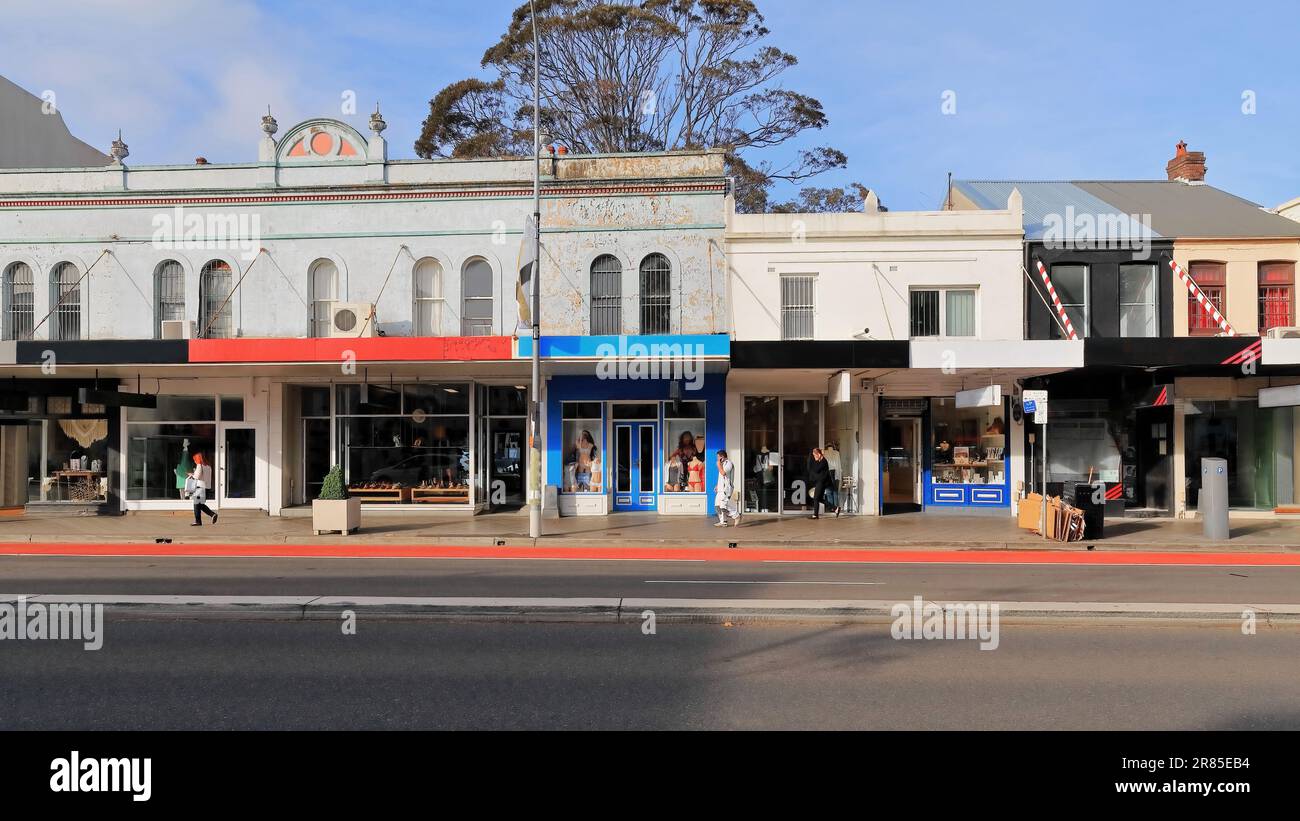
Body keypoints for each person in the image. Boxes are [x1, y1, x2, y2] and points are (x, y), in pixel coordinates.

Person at [805, 447, 838, 519]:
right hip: (821, 482)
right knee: (819, 498)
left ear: (819, 454)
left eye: (815, 455)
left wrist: (815, 460)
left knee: (816, 498)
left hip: (821, 482)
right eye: (813, 456)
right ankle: (835, 508)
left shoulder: (823, 461)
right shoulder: (821, 461)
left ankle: (815, 515)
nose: (814, 457)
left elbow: (815, 469)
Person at [188, 452, 218, 527]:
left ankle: (198, 521)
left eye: (195, 460)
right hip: (207, 487)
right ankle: (212, 514)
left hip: (200, 487)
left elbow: (197, 476)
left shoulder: (199, 465)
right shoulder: (208, 466)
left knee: (196, 504)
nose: (194, 461)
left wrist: (192, 475)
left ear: (197, 459)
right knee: (200, 505)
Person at [714, 449, 740, 527]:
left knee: (723, 505)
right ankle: (723, 521)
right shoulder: (722, 464)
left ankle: (736, 515)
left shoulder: (729, 464)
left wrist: (718, 465)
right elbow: (721, 477)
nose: (717, 459)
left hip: (726, 489)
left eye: (718, 457)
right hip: (720, 488)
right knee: (717, 506)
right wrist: (717, 485)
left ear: (722, 457)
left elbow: (723, 473)